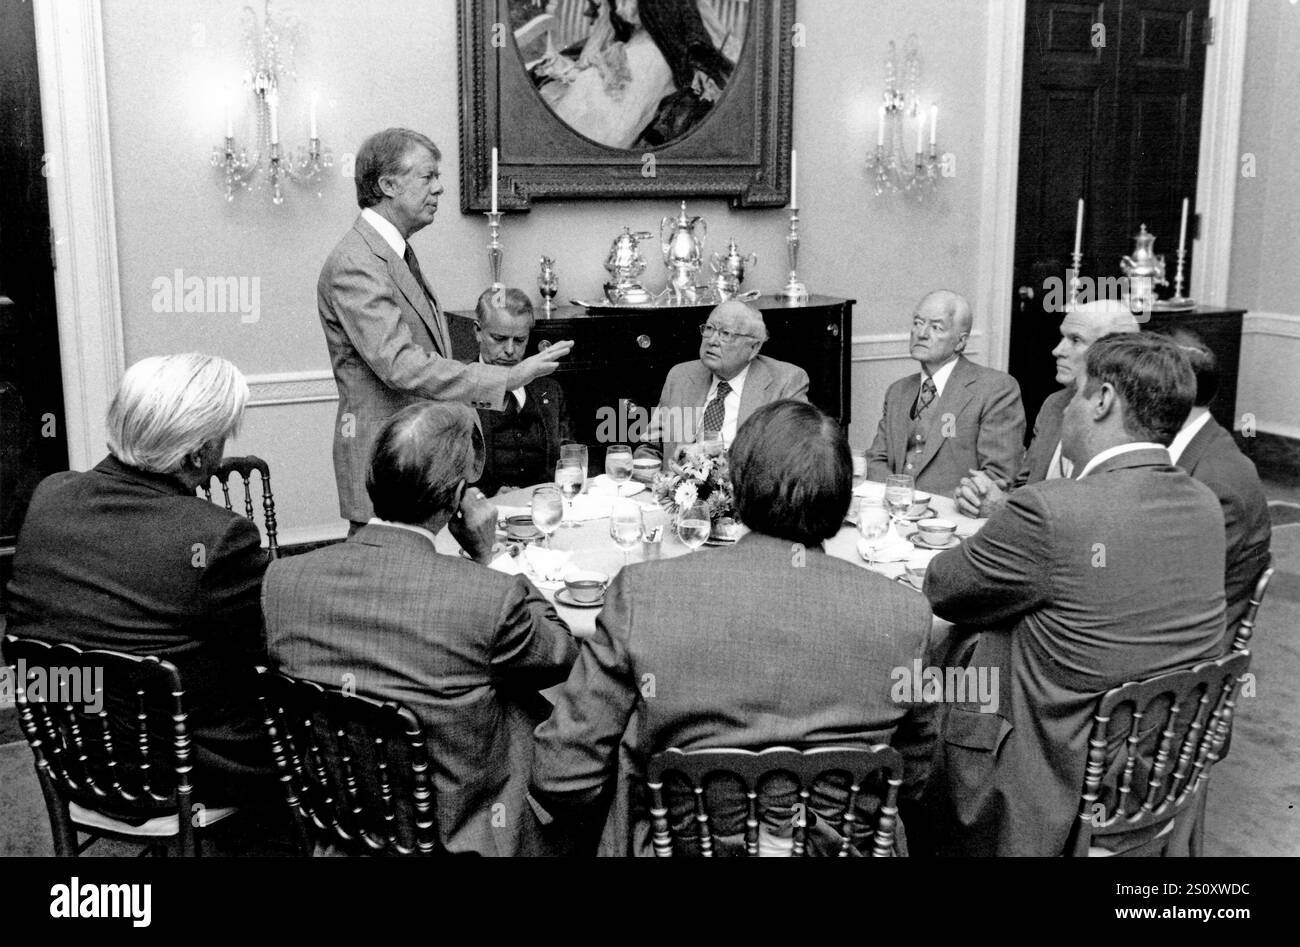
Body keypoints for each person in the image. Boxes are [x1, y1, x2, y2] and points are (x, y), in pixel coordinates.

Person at [529, 400, 938, 856]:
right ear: (845, 499)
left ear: (737, 490)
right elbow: (915, 778)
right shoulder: (905, 614)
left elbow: (562, 774)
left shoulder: (645, 595)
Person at [923, 333, 1227, 856]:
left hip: (1051, 780)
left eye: (1076, 393)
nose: (1066, 409)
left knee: (910, 717)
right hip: (1154, 765)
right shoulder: (1203, 502)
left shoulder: (1050, 509)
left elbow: (944, 588)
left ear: (1103, 400)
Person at [262, 402, 578, 856]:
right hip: (459, 831)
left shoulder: (283, 581)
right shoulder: (486, 597)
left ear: (371, 479)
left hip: (343, 819)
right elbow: (561, 653)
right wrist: (489, 560)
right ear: (454, 500)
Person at [3, 354, 274, 805]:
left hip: (72, 749)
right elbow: (269, 647)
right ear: (198, 452)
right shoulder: (216, 537)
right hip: (178, 766)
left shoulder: (51, 494)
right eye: (222, 437)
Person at [318, 127, 573, 530]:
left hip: (418, 467)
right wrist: (506, 377)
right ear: (387, 184)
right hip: (388, 468)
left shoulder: (392, 253)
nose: (439, 189)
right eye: (428, 177)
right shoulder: (358, 262)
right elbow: (401, 365)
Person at [956, 299, 1138, 517]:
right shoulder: (1054, 404)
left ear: (1114, 352)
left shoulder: (1132, 421)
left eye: (1075, 340)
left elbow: (1096, 516)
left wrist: (1002, 508)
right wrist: (983, 494)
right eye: (1063, 337)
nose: (1057, 350)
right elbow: (1024, 487)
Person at [1166, 329, 1272, 644]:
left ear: (1166, 393)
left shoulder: (1218, 481)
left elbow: (1173, 594)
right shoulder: (1185, 449)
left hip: (1180, 650)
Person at [866, 290, 1026, 496]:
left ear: (960, 342)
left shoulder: (996, 389)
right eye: (917, 322)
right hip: (899, 512)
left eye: (936, 327)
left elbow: (997, 476)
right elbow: (876, 460)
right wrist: (901, 498)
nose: (921, 333)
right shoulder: (898, 391)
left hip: (958, 518)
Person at [651, 300, 808, 465]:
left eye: (725, 333)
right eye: (709, 329)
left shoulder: (785, 382)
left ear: (753, 347)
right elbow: (651, 446)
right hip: (679, 488)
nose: (712, 340)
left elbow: (793, 458)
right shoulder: (681, 376)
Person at [470, 287, 574, 496]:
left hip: (545, 507)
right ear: (478, 331)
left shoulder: (549, 391)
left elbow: (570, 457)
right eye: (499, 338)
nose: (510, 350)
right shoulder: (460, 391)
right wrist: (489, 493)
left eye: (519, 340)